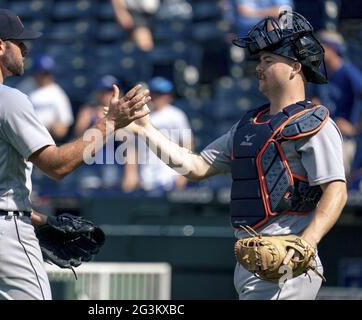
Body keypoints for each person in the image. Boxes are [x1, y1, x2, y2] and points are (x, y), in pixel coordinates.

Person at [123, 11, 347, 299]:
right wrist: (145, 130)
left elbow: (336, 191)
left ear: (294, 67)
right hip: (250, 261)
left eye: (267, 60)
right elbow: (196, 166)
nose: (258, 68)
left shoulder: (314, 124)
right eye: (259, 61)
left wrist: (306, 243)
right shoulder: (249, 126)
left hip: (287, 260)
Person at [0, 8, 150, 300]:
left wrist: (35, 218)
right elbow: (57, 166)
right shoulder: (7, 99)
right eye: (19, 44)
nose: (25, 50)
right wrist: (110, 122)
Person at [122, 77, 192, 193]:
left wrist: (183, 175)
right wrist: (131, 173)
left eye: (160, 93)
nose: (157, 97)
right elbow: (133, 147)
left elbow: (187, 144)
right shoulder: (141, 116)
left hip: (170, 177)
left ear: (169, 96)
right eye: (154, 93)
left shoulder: (177, 115)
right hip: (146, 177)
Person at [311, 30, 362, 175]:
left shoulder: (348, 72)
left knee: (339, 181)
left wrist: (355, 128)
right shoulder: (320, 72)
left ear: (333, 48)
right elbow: (315, 100)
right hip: (323, 136)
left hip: (343, 140)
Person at [28, 54, 74, 142]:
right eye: (41, 73)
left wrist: (49, 128)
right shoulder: (25, 87)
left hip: (46, 138)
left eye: (46, 73)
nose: (43, 76)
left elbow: (63, 128)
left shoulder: (58, 94)